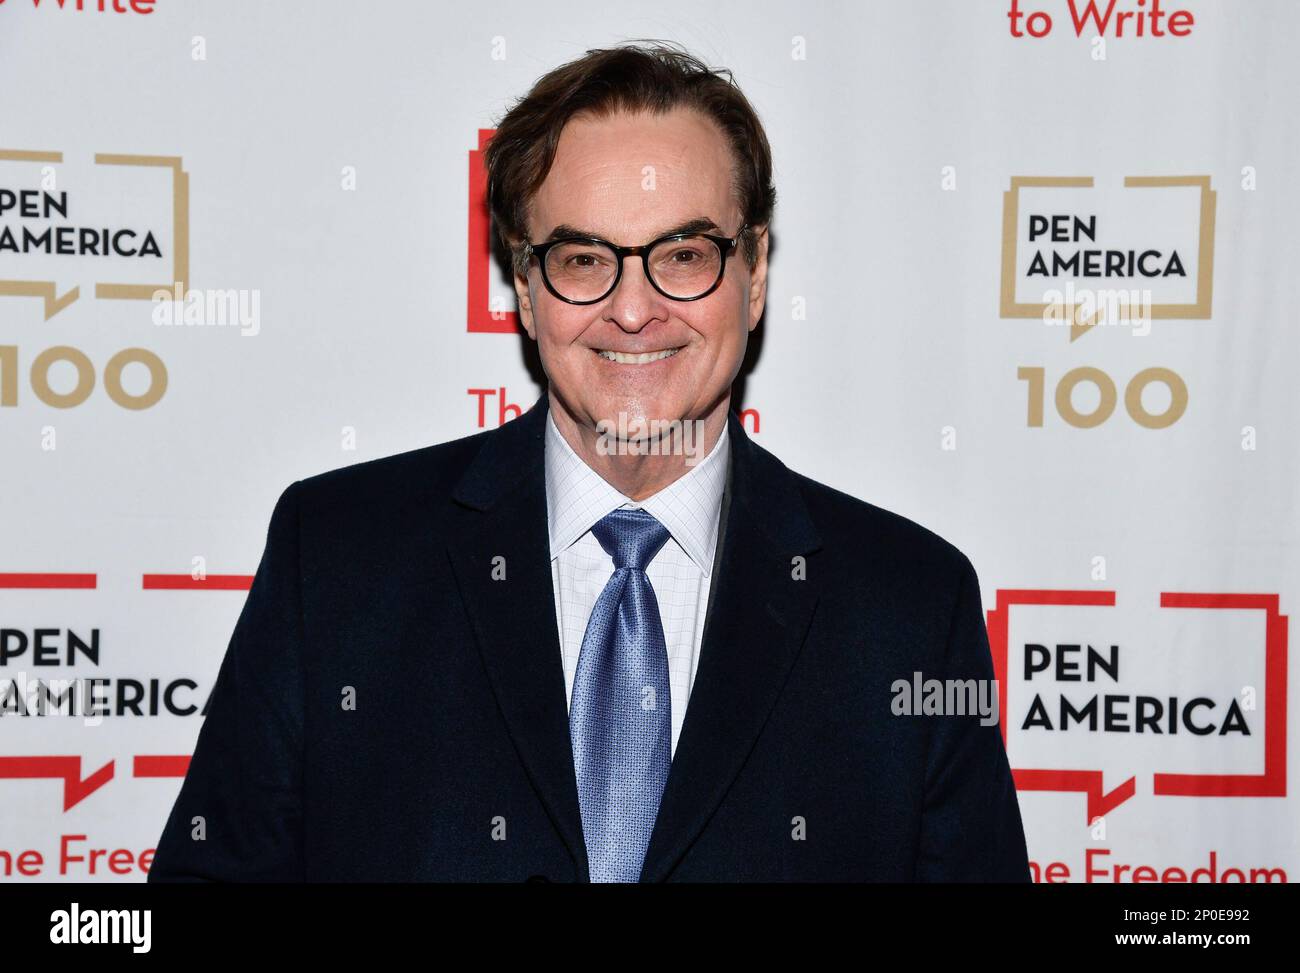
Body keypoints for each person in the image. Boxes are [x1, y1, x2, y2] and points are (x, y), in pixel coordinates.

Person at [148, 41, 1030, 883]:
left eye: (686, 255)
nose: (634, 309)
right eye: (584, 259)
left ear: (755, 274)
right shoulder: (337, 558)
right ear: (525, 289)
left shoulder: (913, 605)